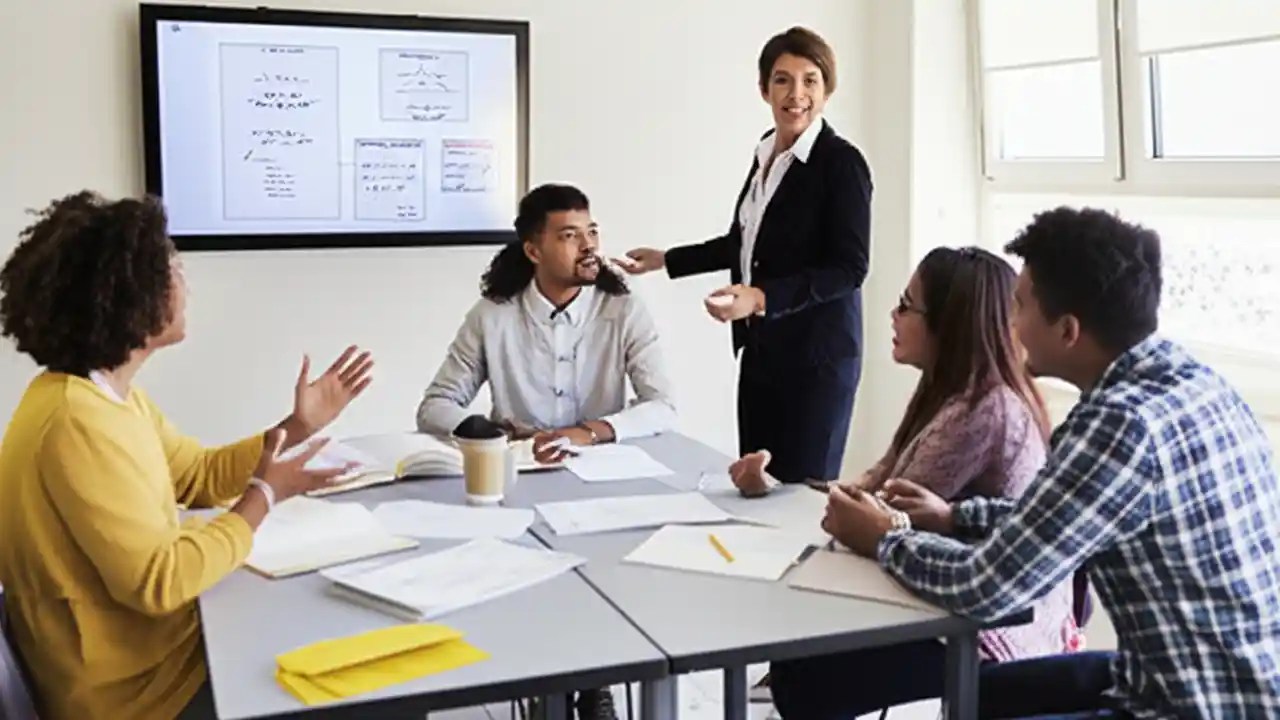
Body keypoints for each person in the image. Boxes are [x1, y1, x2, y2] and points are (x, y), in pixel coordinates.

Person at [828, 207, 1280, 718]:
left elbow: (985, 587)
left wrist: (885, 538)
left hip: (1188, 705)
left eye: (1020, 306)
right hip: (1216, 680)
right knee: (976, 695)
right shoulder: (1193, 382)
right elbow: (1065, 512)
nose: (1010, 323)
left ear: (1067, 330)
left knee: (961, 694)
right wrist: (955, 517)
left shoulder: (1121, 427)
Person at [0, 191, 375, 720]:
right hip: (143, 698)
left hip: (171, 656)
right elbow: (160, 582)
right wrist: (264, 498)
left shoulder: (103, 397)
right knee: (371, 693)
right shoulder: (74, 423)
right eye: (173, 268)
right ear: (129, 294)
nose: (186, 283)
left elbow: (198, 475)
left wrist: (298, 427)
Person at [733, 248, 1082, 717]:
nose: (892, 315)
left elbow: (867, 519)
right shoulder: (951, 393)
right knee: (800, 646)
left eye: (905, 305)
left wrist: (787, 498)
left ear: (947, 324)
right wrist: (778, 488)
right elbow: (872, 489)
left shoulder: (983, 412)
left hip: (989, 632)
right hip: (951, 602)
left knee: (803, 675)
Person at [620, 26, 871, 484]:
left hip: (816, 363)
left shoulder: (841, 163)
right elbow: (745, 242)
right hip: (761, 353)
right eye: (782, 80)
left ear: (827, 90)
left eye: (810, 81)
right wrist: (666, 259)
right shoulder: (766, 153)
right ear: (764, 89)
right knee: (753, 485)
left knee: (799, 496)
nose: (796, 94)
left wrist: (760, 298)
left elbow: (849, 269)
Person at [418, 183, 676, 463]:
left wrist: (588, 433)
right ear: (534, 252)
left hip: (600, 463)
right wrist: (491, 433)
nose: (588, 245)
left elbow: (662, 405)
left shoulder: (624, 308)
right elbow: (436, 405)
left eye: (592, 232)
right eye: (570, 236)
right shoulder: (491, 316)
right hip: (519, 463)